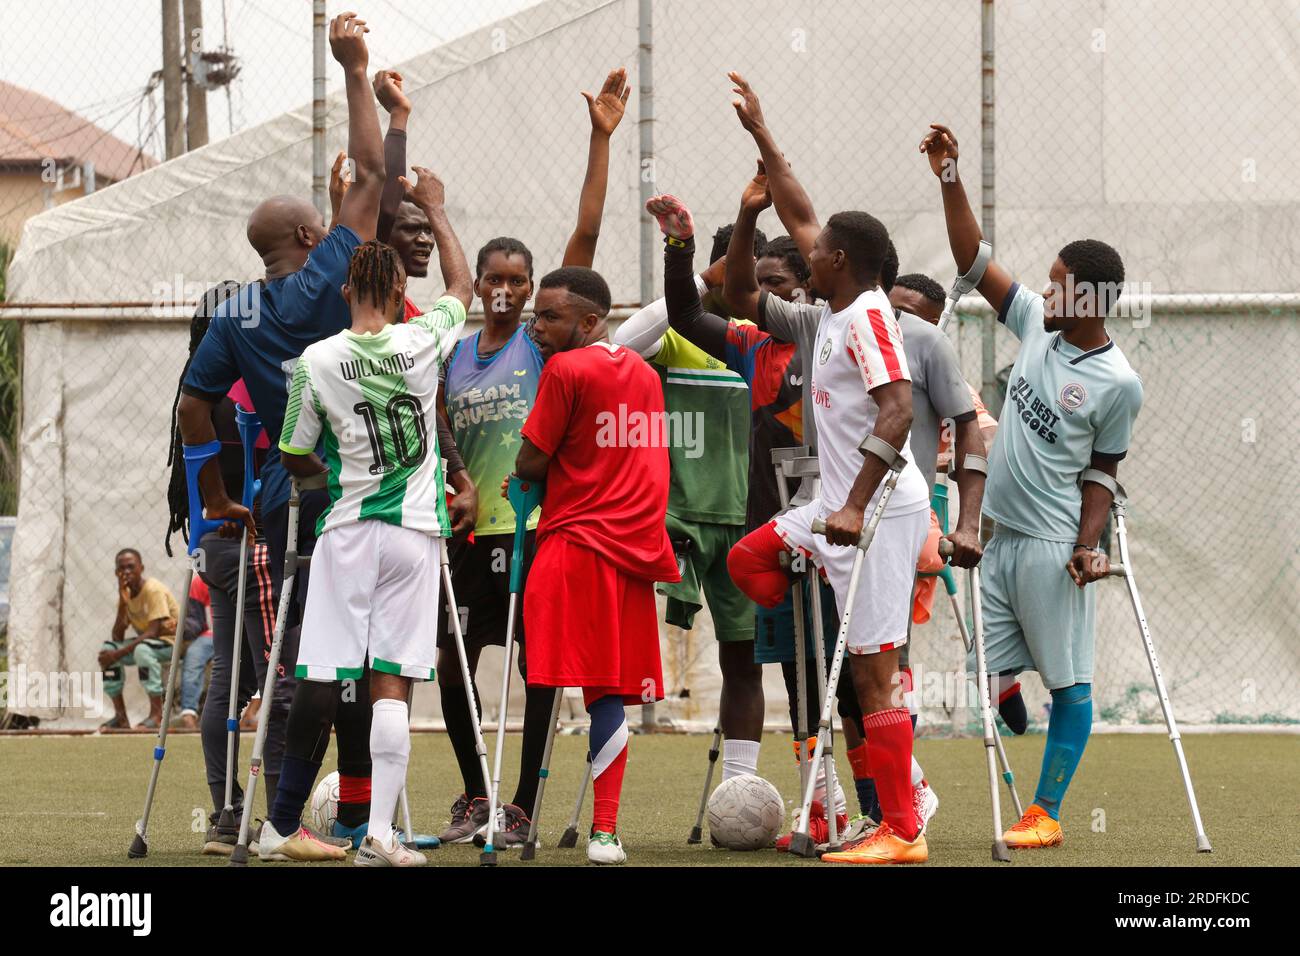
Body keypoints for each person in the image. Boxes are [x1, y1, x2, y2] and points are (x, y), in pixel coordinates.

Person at [722, 73, 983, 865]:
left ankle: (904, 827)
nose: (806, 245)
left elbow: (899, 411)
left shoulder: (870, 319)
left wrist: (851, 510)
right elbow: (797, 211)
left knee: (873, 678)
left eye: (818, 245)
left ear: (838, 260)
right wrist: (762, 134)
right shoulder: (837, 304)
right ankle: (894, 795)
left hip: (878, 508)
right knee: (749, 557)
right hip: (837, 509)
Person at [177, 12, 384, 862]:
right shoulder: (331, 272)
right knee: (352, 662)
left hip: (283, 495)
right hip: (365, 489)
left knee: (291, 658)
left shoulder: (231, 313)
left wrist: (213, 495)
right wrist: (356, 67)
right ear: (309, 238)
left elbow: (194, 405)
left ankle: (271, 815)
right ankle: (330, 816)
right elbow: (374, 171)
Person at [922, 121, 1143, 847]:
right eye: (1046, 280)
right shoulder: (1039, 329)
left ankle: (1045, 814)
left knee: (1072, 686)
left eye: (1058, 283)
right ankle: (1008, 681)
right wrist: (950, 175)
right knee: (980, 669)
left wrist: (1088, 547)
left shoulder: (1118, 384)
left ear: (1092, 298)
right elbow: (973, 259)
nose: (1044, 290)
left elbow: (1102, 473)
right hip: (996, 538)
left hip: (1051, 548)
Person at [434, 68, 632, 849]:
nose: (511, 291)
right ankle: (475, 794)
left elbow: (582, 238)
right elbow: (444, 434)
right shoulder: (451, 352)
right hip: (469, 531)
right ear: (479, 284)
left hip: (537, 530)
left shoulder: (543, 341)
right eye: (499, 279)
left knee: (539, 672)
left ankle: (519, 805)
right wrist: (452, 481)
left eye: (522, 280)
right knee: (452, 666)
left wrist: (599, 138)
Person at [280, 230, 471, 866]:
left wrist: (336, 466)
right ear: (398, 291)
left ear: (343, 291)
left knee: (324, 670)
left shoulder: (315, 361)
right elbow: (461, 290)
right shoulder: (423, 338)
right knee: (394, 679)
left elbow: (291, 449)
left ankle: (280, 824)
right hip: (415, 534)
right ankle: (380, 837)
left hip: (348, 530)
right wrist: (440, 216)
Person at [516, 266, 679, 865]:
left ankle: (518, 813)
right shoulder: (645, 373)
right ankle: (605, 831)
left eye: (549, 317)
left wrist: (527, 464)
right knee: (605, 692)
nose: (537, 326)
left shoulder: (563, 368)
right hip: (633, 553)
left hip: (576, 546)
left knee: (546, 677)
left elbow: (532, 461)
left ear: (590, 321)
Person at [610, 216, 764, 790]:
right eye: (737, 268)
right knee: (625, 650)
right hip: (672, 523)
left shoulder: (770, 340)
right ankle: (605, 804)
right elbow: (619, 346)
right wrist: (699, 279)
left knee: (742, 660)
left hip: (748, 523)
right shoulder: (676, 335)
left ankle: (740, 786)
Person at [888, 271, 1027, 734]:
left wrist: (944, 454)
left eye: (913, 317)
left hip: (917, 516)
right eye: (895, 309)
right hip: (855, 512)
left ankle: (998, 670)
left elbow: (984, 435)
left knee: (891, 647)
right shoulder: (855, 350)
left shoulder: (939, 372)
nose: (899, 322)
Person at [99, 549, 179, 730]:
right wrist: (122, 601)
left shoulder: (153, 589)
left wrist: (117, 654)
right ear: (116, 573)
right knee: (107, 648)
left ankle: (157, 715)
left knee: (141, 650)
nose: (126, 572)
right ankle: (121, 717)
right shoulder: (127, 595)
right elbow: (117, 637)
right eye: (121, 568)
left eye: (131, 567)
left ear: (141, 568)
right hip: (148, 643)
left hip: (170, 643)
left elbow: (152, 632)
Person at [177, 573, 214, 730]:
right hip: (212, 635)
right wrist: (184, 628)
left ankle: (251, 714)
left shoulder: (249, 572)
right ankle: (188, 713)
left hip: (246, 632)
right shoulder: (201, 580)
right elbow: (196, 619)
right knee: (193, 654)